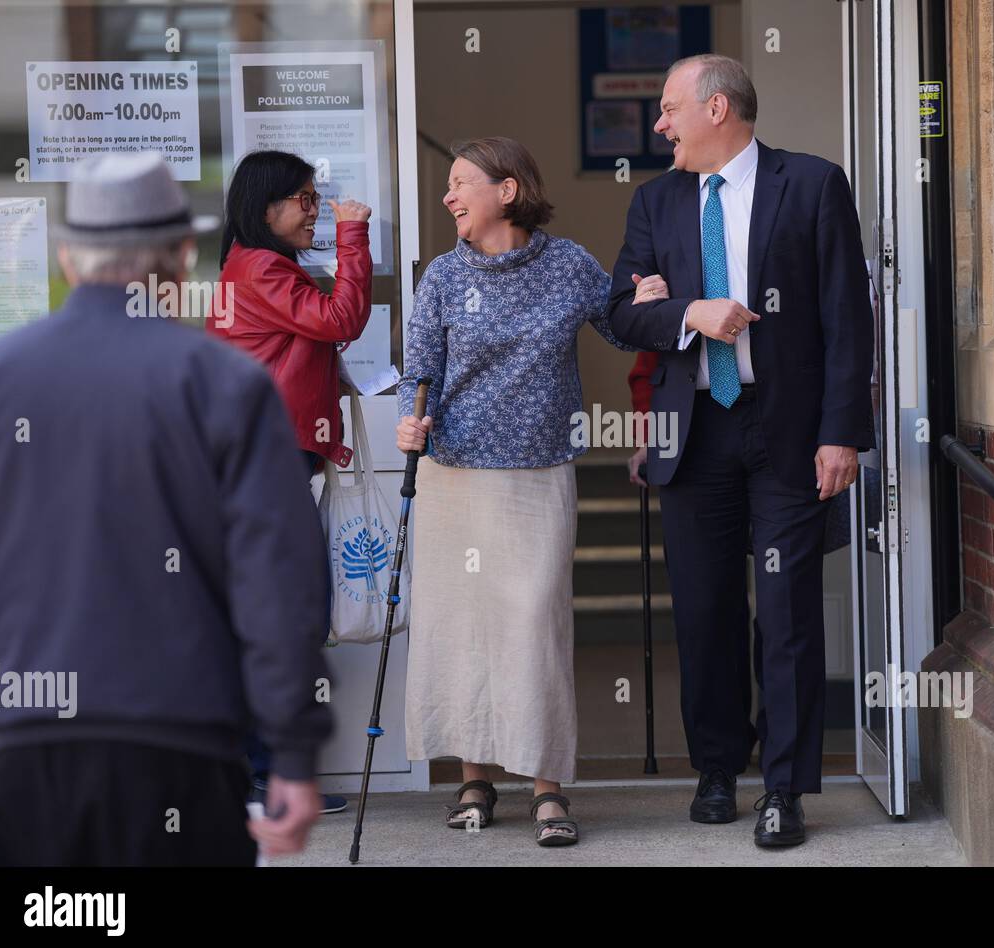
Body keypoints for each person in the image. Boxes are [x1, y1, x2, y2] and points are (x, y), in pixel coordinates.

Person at [0, 151, 332, 865]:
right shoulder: (225, 384)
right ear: (183, 256)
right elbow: (279, 580)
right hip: (182, 742)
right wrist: (292, 752)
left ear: (68, 257)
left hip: (19, 742)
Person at [607, 55, 875, 848]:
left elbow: (845, 318)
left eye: (668, 108)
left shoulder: (814, 183)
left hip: (788, 431)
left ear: (717, 107)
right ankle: (719, 769)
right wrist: (689, 309)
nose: (659, 125)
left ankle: (784, 791)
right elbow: (623, 313)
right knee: (705, 608)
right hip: (696, 433)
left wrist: (842, 433)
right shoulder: (654, 202)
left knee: (786, 611)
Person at [394, 136, 633, 847]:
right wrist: (412, 419)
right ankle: (474, 780)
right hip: (454, 474)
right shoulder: (441, 275)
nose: (448, 196)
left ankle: (547, 787)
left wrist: (652, 298)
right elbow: (419, 369)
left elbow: (621, 329)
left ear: (507, 190)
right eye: (448, 185)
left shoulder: (568, 265)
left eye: (460, 182)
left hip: (537, 476)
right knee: (463, 629)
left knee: (532, 627)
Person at [210, 149, 374, 814]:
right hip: (262, 470)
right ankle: (261, 779)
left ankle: (266, 775)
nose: (314, 210)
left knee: (275, 623)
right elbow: (339, 319)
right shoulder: (260, 269)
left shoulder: (261, 268)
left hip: (264, 466)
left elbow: (314, 336)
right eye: (303, 199)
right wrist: (354, 234)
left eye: (316, 197)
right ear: (265, 206)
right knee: (276, 626)